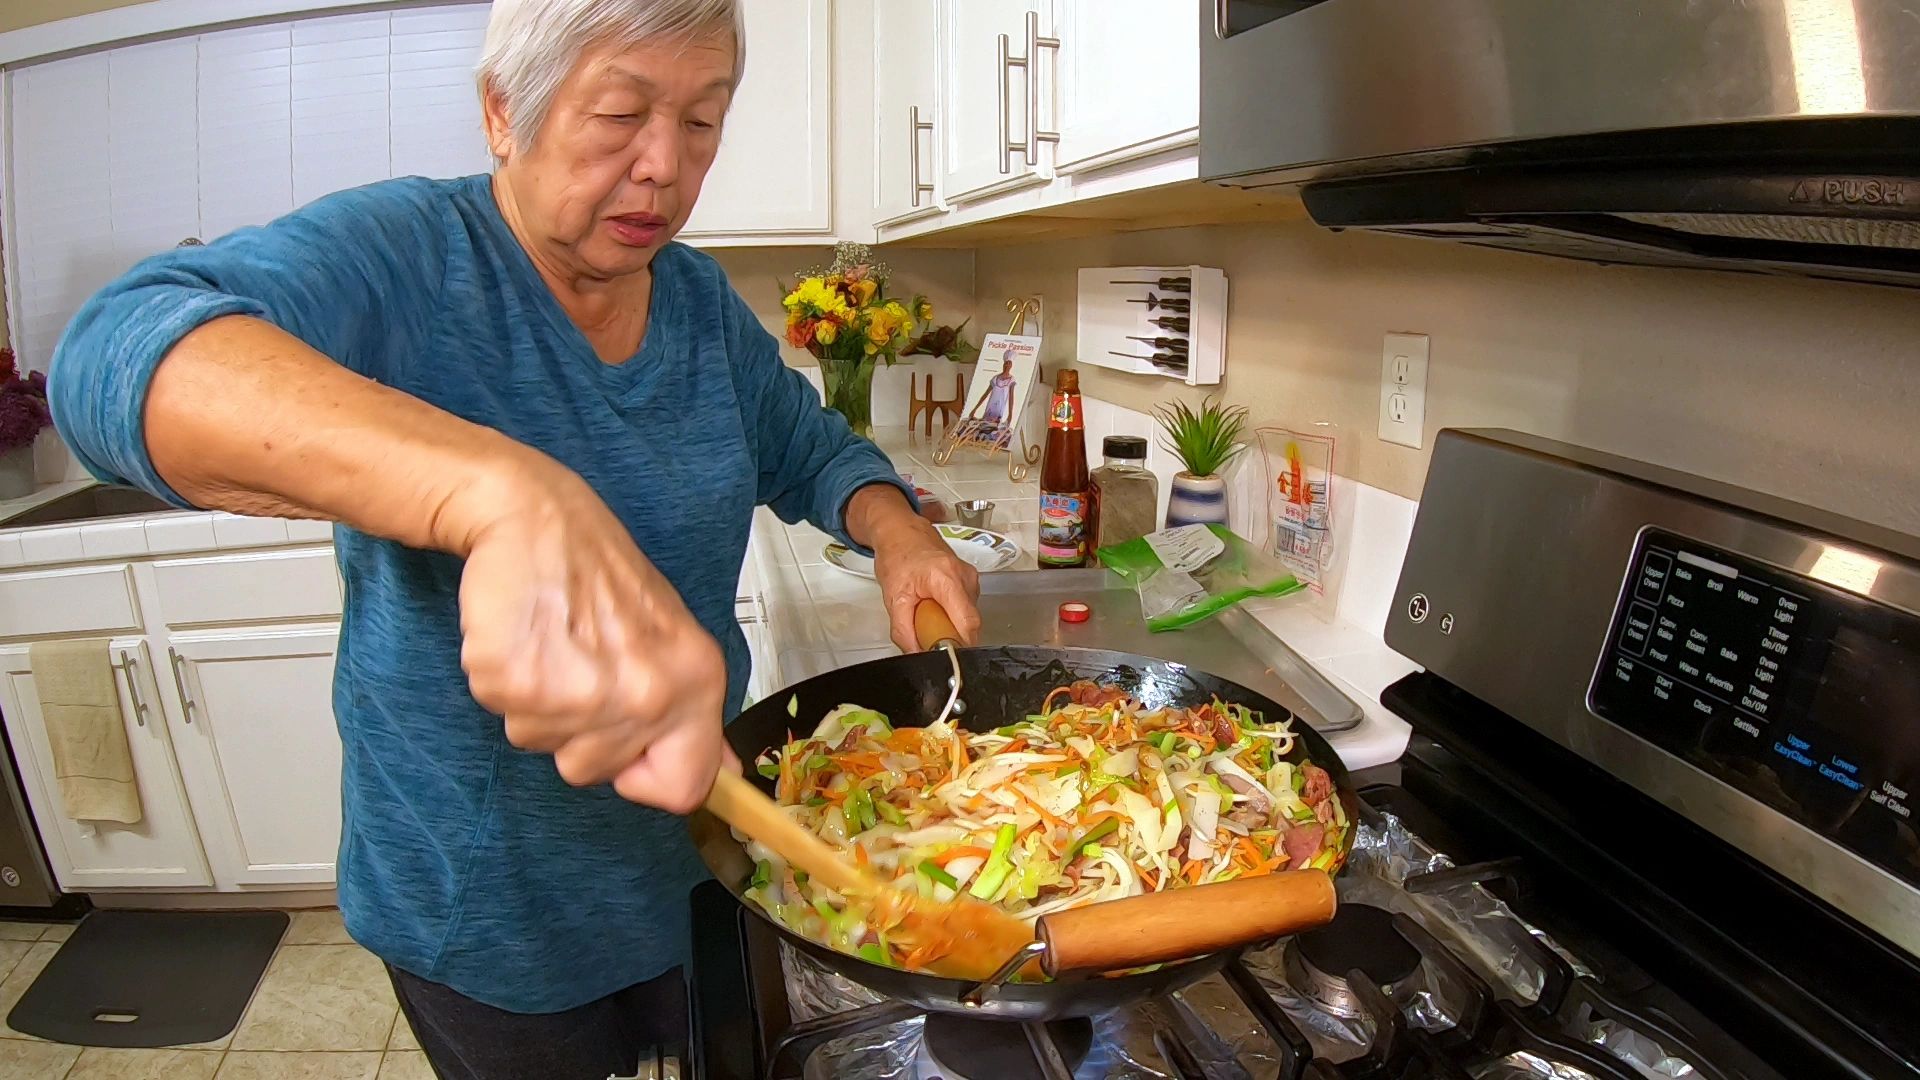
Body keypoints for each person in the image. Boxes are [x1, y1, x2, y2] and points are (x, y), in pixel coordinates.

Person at [46, 0, 982, 1076]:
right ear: (505, 113)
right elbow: (113, 354)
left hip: (702, 853)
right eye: (619, 114)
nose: (662, 170)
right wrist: (501, 491)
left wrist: (896, 529)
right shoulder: (407, 257)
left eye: (702, 123)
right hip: (486, 913)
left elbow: (809, 449)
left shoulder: (696, 300)